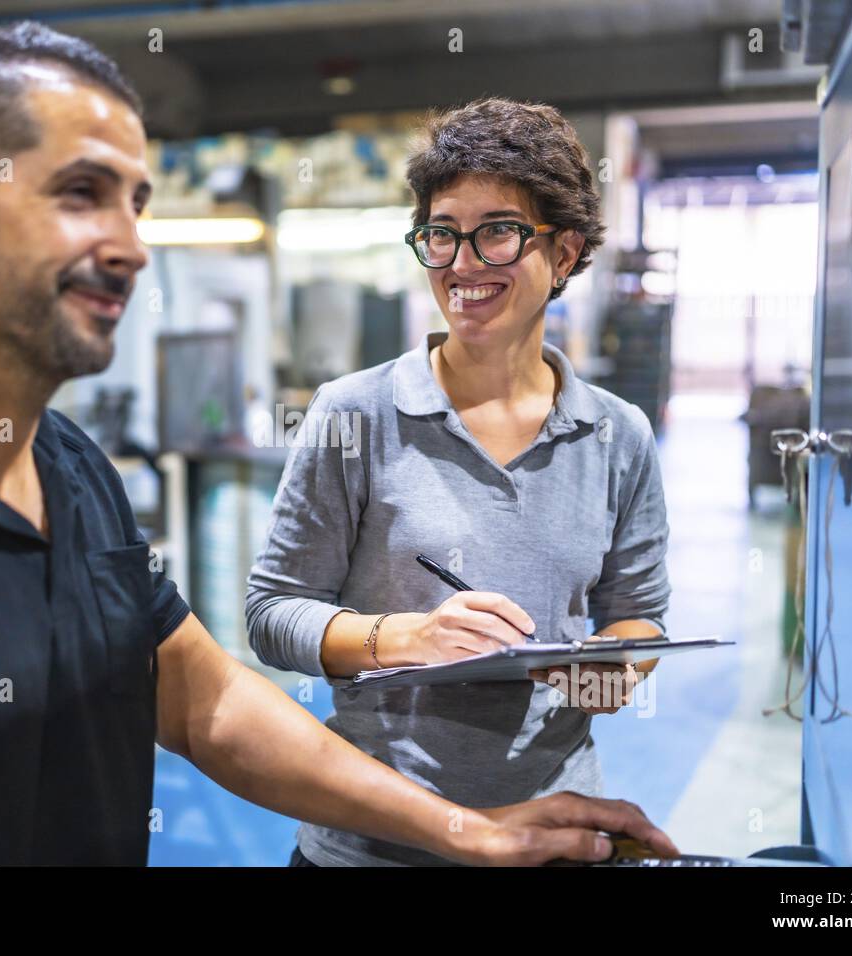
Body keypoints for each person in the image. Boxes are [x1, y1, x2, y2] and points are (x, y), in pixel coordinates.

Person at [0, 25, 676, 866]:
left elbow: (205, 701)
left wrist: (470, 830)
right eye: (81, 193)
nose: (135, 243)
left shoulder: (67, 471)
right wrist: (388, 641)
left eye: (136, 202)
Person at [246, 98, 672, 867]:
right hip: (374, 840)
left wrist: (615, 667)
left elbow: (638, 617)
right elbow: (273, 613)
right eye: (442, 234)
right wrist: (410, 637)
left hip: (552, 830)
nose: (463, 264)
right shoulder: (355, 413)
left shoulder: (619, 435)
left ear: (566, 252)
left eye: (497, 233)